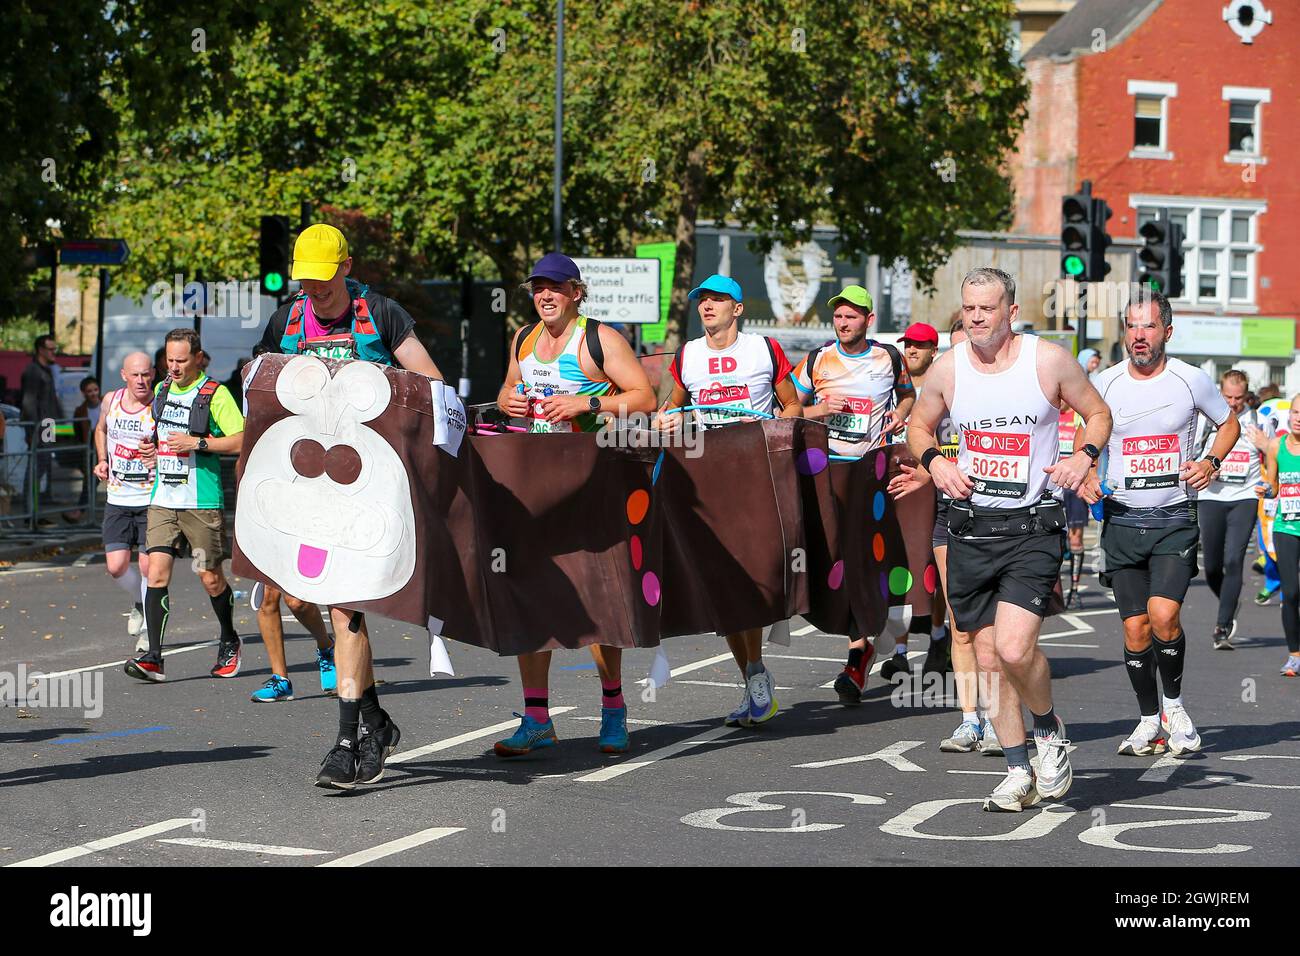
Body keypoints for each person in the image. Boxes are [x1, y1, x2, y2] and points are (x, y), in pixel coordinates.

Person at [908, 267, 1111, 811]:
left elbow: (1097, 413)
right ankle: (1018, 770)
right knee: (989, 659)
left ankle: (1047, 728)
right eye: (969, 308)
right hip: (972, 527)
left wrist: (1081, 456)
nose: (976, 318)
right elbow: (919, 426)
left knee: (1016, 648)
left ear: (1010, 312)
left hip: (1032, 527)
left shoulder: (1047, 361)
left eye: (987, 309)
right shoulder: (949, 368)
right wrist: (934, 463)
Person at [255, 223, 444, 788]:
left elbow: (431, 383)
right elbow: (259, 392)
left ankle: (346, 743)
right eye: (305, 281)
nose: (314, 291)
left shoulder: (382, 314)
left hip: (370, 487)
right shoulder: (287, 320)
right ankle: (376, 720)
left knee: (344, 608)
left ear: (347, 266)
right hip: (309, 485)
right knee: (315, 602)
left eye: (323, 279)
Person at [496, 252, 656, 753]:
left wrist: (588, 403)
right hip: (536, 483)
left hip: (593, 481)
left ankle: (613, 709)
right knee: (530, 595)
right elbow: (508, 388)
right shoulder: (523, 338)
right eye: (538, 287)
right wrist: (509, 401)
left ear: (576, 293)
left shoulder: (599, 339)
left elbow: (644, 397)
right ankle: (537, 718)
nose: (545, 295)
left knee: (598, 598)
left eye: (555, 287)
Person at [1088, 290, 1238, 758]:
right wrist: (1088, 468)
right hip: (1122, 518)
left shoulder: (1191, 380)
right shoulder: (1106, 382)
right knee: (1135, 629)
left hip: (1174, 515)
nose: (1139, 335)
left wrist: (1211, 461)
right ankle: (1148, 719)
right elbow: (1087, 425)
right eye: (1132, 326)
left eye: (1148, 326)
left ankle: (1174, 707)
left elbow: (1228, 422)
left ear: (1166, 332)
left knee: (1164, 615)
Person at [658, 273, 801, 728]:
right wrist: (664, 421)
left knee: (748, 576)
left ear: (737, 309)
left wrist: (771, 431)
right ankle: (753, 674)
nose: (708, 306)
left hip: (754, 475)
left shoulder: (764, 349)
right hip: (704, 477)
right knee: (720, 582)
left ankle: (756, 673)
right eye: (703, 300)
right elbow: (673, 408)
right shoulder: (688, 355)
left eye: (718, 300)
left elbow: (792, 407)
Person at [789, 286, 916, 704]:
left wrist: (898, 416)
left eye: (851, 317)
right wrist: (819, 412)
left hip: (870, 475)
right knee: (831, 560)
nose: (843, 323)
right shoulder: (816, 360)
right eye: (838, 317)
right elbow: (784, 409)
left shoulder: (889, 358)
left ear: (868, 320)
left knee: (865, 561)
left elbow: (908, 395)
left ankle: (858, 655)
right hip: (826, 472)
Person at [123, 329, 246, 688]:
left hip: (201, 501)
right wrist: (153, 450)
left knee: (209, 578)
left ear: (198, 358)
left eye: (180, 360)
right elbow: (161, 437)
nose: (173, 367)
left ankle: (229, 640)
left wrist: (198, 442)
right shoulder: (161, 390)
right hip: (163, 499)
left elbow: (240, 437)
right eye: (169, 360)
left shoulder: (214, 393)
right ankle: (154, 659)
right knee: (156, 573)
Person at [93, 354, 156, 651]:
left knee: (147, 567)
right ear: (124, 375)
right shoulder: (111, 401)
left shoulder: (159, 404)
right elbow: (101, 429)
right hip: (118, 497)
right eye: (135, 375)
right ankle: (139, 602)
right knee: (116, 566)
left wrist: (156, 455)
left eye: (145, 374)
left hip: (150, 498)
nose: (141, 381)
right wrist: (102, 460)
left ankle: (148, 632)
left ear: (153, 374)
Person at [1197, 370, 1262, 650]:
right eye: (1228, 397)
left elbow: (1272, 454)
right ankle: (1229, 601)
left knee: (1234, 560)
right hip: (1211, 496)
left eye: (1239, 398)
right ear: (1219, 393)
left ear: (1247, 396)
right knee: (1211, 566)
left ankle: (1221, 627)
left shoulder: (1258, 421)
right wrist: (1203, 469)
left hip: (1245, 496)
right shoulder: (1206, 420)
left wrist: (1268, 482)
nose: (1234, 403)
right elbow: (1192, 454)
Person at [1255, 400, 1300, 676]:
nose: (1299, 419)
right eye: (1296, 413)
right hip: (1287, 527)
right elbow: (1274, 485)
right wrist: (1266, 490)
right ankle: (1294, 654)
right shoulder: (1276, 446)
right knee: (1291, 592)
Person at [20, 334, 62, 512]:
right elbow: (28, 403)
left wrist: (61, 428)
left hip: (49, 425)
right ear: (40, 350)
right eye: (51, 349)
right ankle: (30, 511)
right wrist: (32, 431)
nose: (54, 353)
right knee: (37, 468)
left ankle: (35, 510)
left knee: (43, 466)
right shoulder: (33, 371)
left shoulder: (47, 370)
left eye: (55, 349)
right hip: (40, 427)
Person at [1058, 402, 1089, 608]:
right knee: (1050, 539)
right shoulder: (1048, 413)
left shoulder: (1079, 416)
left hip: (1075, 485)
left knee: (1075, 540)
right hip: (1052, 484)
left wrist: (1086, 480)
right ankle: (1052, 592)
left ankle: (1075, 590)